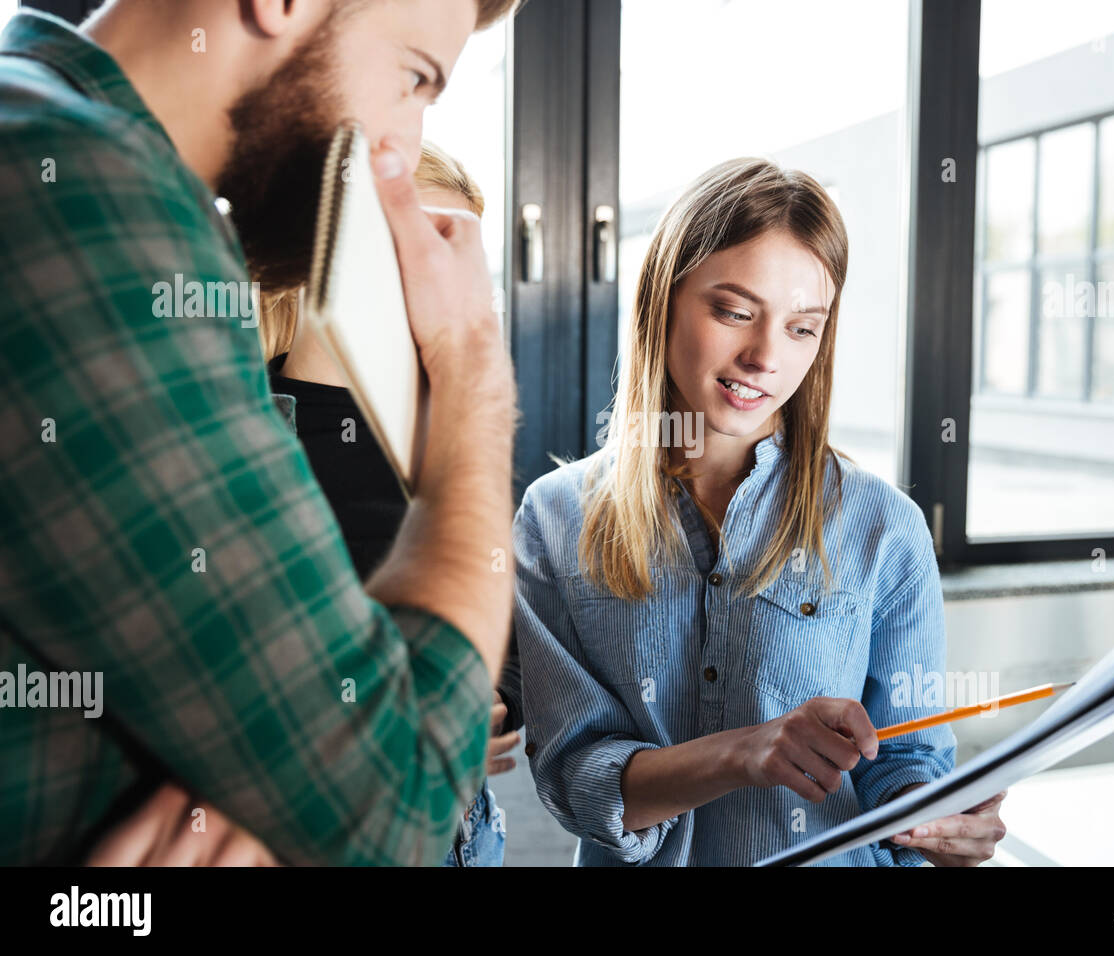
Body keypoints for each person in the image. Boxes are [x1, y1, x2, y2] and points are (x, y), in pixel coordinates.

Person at [0, 0, 519, 865]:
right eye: (414, 78)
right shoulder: (87, 194)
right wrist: (473, 377)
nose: (401, 141)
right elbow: (403, 806)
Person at [513, 157, 1008, 866]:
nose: (764, 356)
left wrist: (940, 828)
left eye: (803, 327)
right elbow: (576, 782)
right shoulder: (554, 519)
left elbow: (907, 761)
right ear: (664, 300)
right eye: (735, 312)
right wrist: (742, 752)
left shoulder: (884, 527)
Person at [260, 142, 522, 867]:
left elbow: (497, 617)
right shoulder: (254, 436)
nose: (458, 288)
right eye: (434, 243)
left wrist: (497, 704)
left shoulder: (445, 432)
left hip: (462, 827)